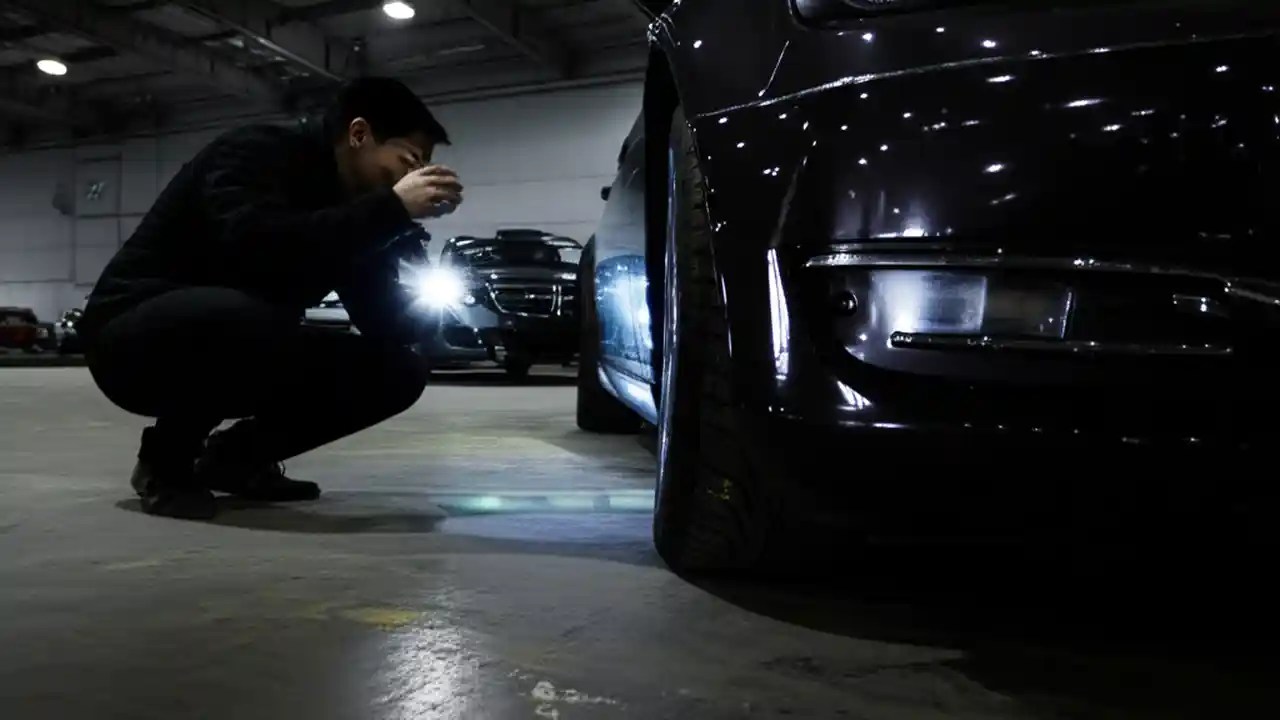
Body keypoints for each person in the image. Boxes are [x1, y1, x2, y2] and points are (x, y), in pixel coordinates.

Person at [78, 77, 464, 520]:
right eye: (410, 159)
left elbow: (382, 322)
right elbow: (257, 248)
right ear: (359, 134)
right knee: (243, 313)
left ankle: (236, 459)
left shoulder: (357, 209)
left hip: (243, 336)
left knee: (399, 371)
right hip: (132, 339)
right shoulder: (256, 151)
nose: (412, 177)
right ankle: (165, 463)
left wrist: (424, 291)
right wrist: (389, 212)